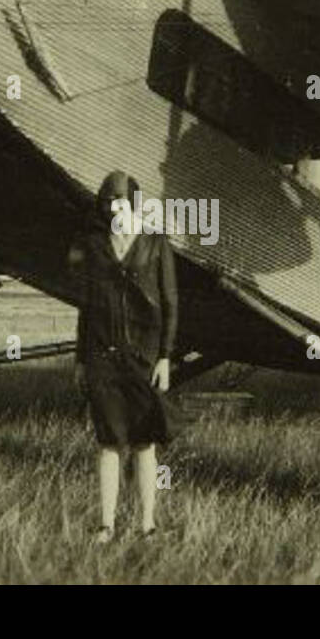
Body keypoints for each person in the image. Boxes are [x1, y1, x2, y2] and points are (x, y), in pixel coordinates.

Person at [69, 171, 179, 543]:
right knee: (108, 441)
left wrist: (165, 357)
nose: (114, 208)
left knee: (145, 443)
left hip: (143, 358)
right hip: (102, 356)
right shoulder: (94, 244)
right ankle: (106, 525)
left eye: (120, 201)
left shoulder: (154, 242)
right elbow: (86, 307)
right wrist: (81, 360)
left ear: (133, 202)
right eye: (107, 203)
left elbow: (170, 303)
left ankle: (147, 524)